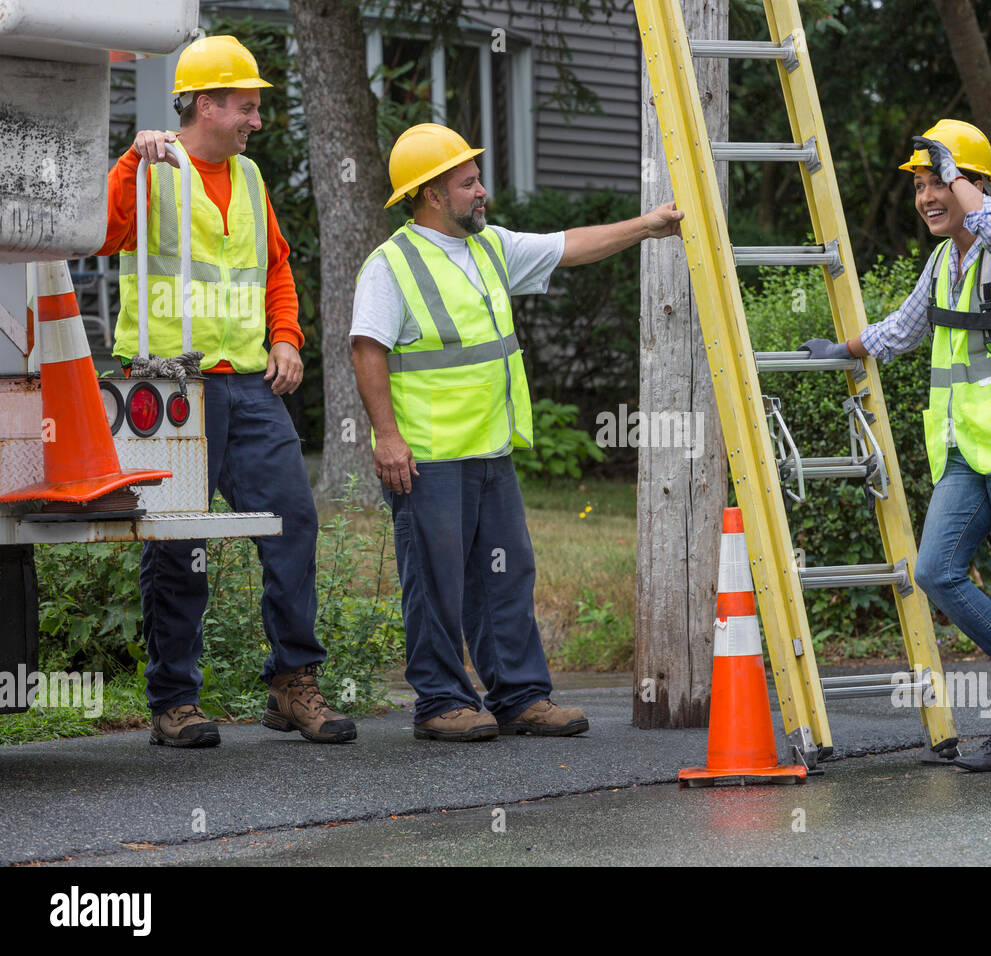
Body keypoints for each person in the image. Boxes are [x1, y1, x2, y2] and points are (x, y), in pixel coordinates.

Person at [351, 124, 683, 741]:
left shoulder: (489, 247)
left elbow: (569, 246)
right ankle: (441, 702)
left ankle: (520, 696)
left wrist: (646, 226)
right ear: (430, 195)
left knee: (506, 574)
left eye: (477, 179)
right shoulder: (390, 266)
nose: (483, 192)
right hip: (427, 458)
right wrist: (388, 439)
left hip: (490, 452)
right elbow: (366, 349)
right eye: (468, 183)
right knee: (436, 582)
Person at [800, 119, 991, 772]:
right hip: (961, 449)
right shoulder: (940, 262)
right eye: (921, 185)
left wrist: (956, 171)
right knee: (934, 571)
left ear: (975, 184)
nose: (928, 196)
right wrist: (845, 349)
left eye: (940, 183)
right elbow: (904, 328)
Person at [100, 36, 353, 747]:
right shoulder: (150, 168)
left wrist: (286, 338)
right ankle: (174, 703)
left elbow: (273, 268)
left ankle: (290, 685)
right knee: (177, 543)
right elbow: (105, 233)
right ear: (204, 104)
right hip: (168, 385)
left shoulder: (248, 178)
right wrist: (129, 159)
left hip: (246, 385)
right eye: (245, 106)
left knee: (293, 521)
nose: (256, 120)